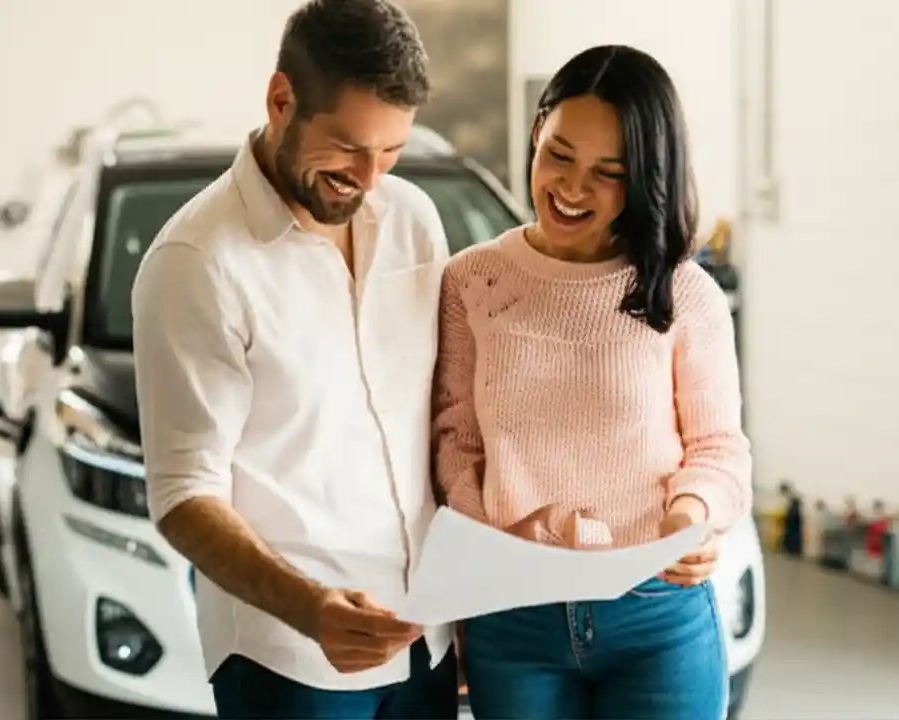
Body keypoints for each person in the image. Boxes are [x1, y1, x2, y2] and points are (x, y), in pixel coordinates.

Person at [131, 1, 458, 718]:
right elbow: (183, 494)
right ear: (281, 101)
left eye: (392, 152)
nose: (369, 178)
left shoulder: (412, 220)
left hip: (425, 637)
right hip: (289, 658)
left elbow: (440, 419)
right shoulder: (197, 263)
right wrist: (312, 611)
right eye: (347, 148)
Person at [432, 44, 753, 720]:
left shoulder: (683, 293)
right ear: (536, 133)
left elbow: (719, 448)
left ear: (646, 177)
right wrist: (497, 540)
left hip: (656, 613)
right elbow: (455, 442)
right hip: (513, 616)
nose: (572, 189)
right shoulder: (472, 281)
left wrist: (689, 520)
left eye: (608, 173)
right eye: (559, 156)